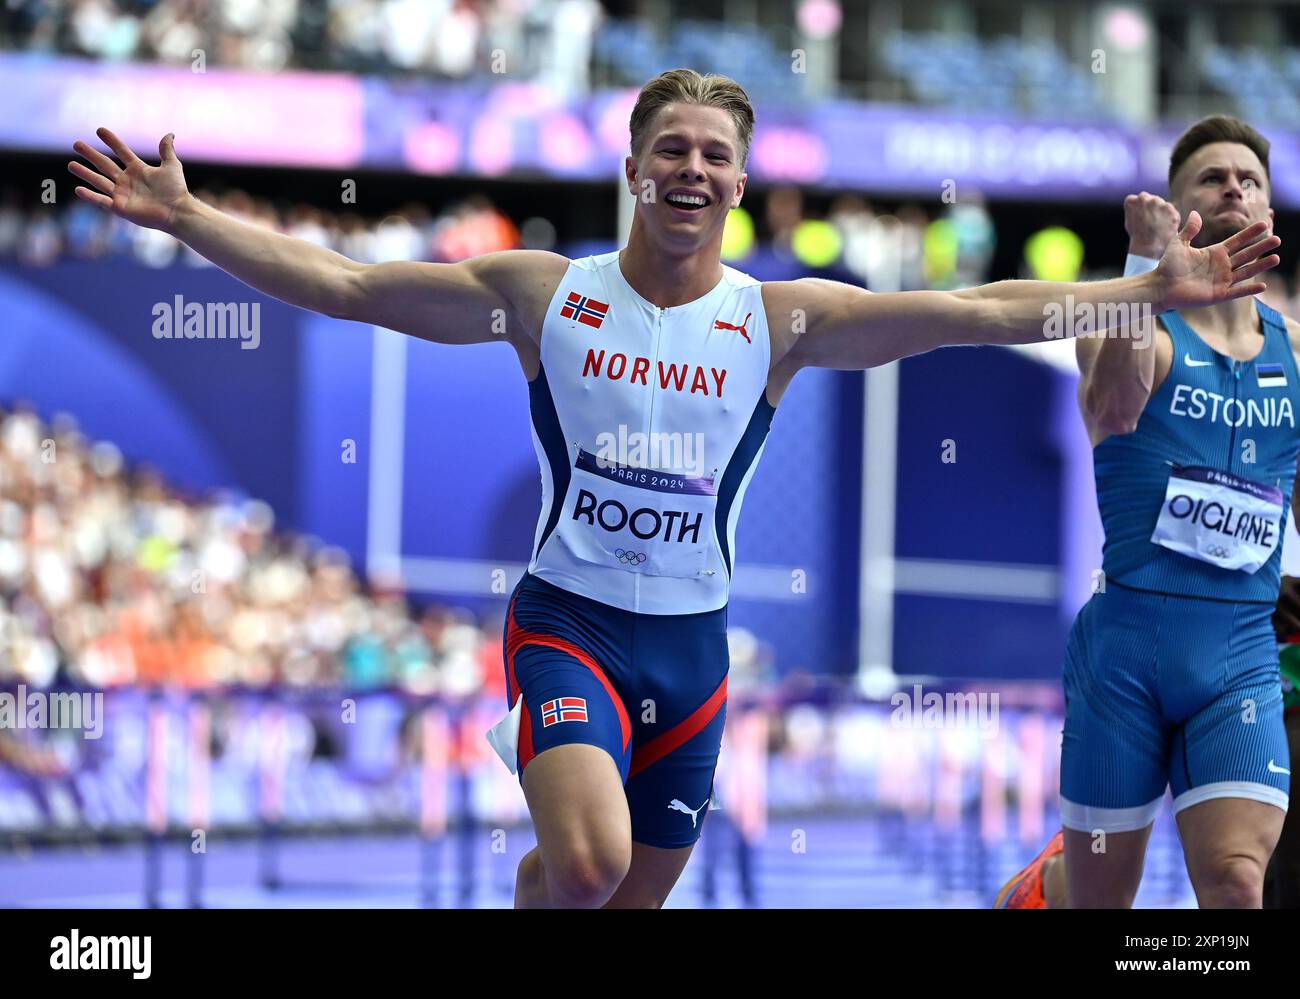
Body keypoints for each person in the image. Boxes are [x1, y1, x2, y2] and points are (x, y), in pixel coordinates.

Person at [69, 74, 1279, 909]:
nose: (692, 170)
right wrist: (185, 218)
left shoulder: (781, 318)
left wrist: (1140, 296)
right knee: (588, 863)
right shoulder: (542, 292)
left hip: (693, 653)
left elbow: (975, 312)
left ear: (741, 185)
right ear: (635, 170)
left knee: (600, 894)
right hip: (569, 623)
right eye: (672, 151)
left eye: (715, 155)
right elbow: (341, 282)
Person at [995, 115, 1294, 909]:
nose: (1234, 186)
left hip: (1238, 654)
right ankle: (1043, 888)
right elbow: (1116, 405)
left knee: (1235, 884)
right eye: (1212, 178)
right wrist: (1142, 268)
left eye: (1250, 179)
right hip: (1123, 655)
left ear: (1267, 212)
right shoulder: (1130, 328)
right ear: (1178, 206)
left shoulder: (1295, 349)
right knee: (1101, 903)